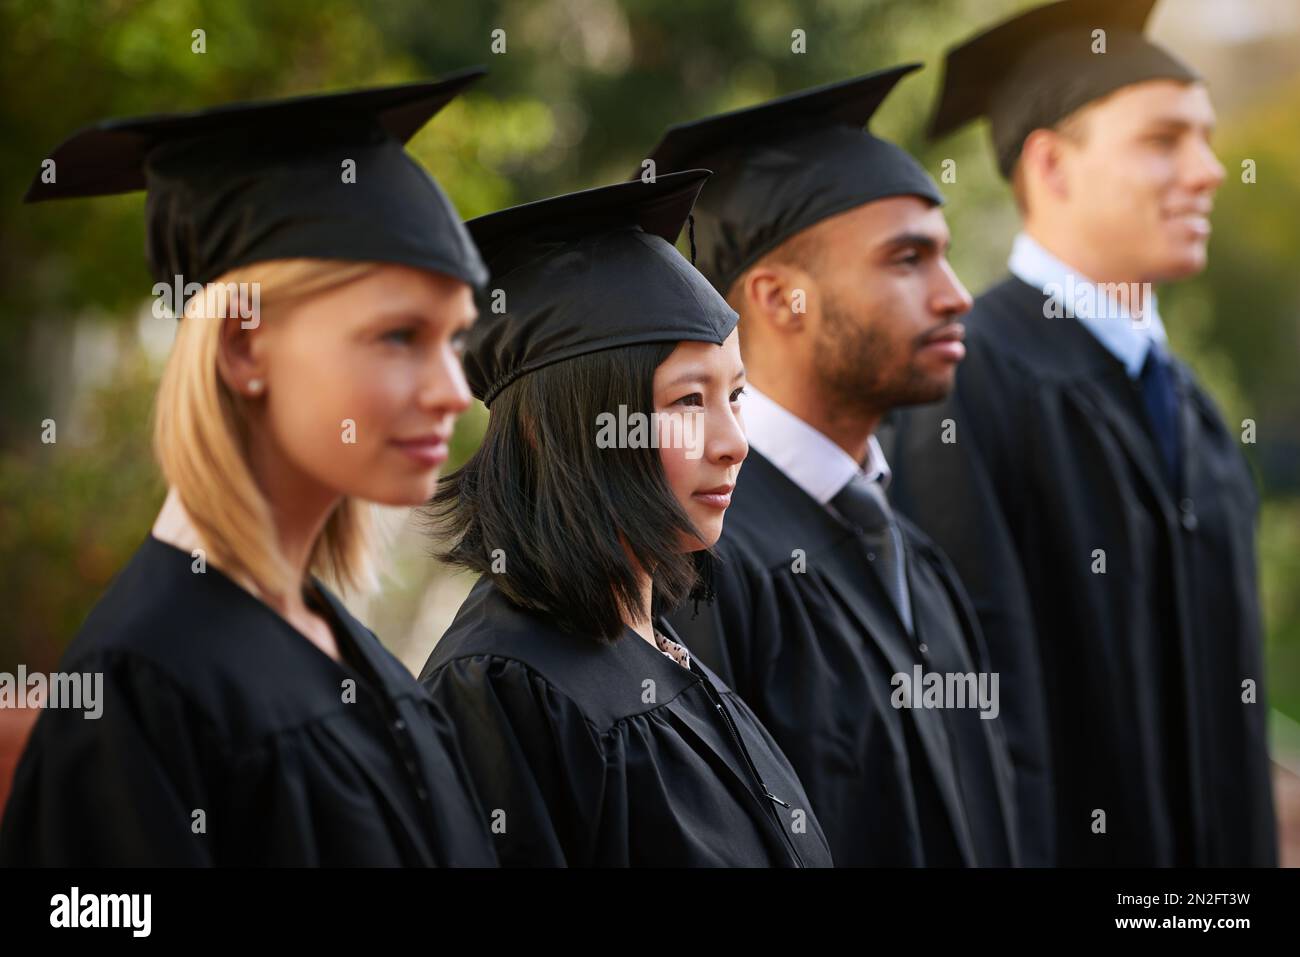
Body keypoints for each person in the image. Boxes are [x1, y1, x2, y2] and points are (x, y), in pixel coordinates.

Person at [0, 72, 499, 866]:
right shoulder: (140, 692)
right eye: (399, 336)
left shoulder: (345, 649)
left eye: (455, 339)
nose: (452, 391)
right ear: (241, 345)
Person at [885, 0, 1276, 866]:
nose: (1209, 171)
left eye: (1207, 139)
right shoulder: (963, 385)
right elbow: (975, 718)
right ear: (1052, 165)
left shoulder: (1193, 407)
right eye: (1164, 140)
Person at [650, 66, 1019, 866]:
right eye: (907, 259)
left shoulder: (908, 551)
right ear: (778, 297)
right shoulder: (701, 564)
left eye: (945, 255)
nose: (956, 294)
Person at [418, 172, 834, 867]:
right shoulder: (504, 688)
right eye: (687, 402)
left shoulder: (656, 644)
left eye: (735, 395)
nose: (734, 442)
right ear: (558, 432)